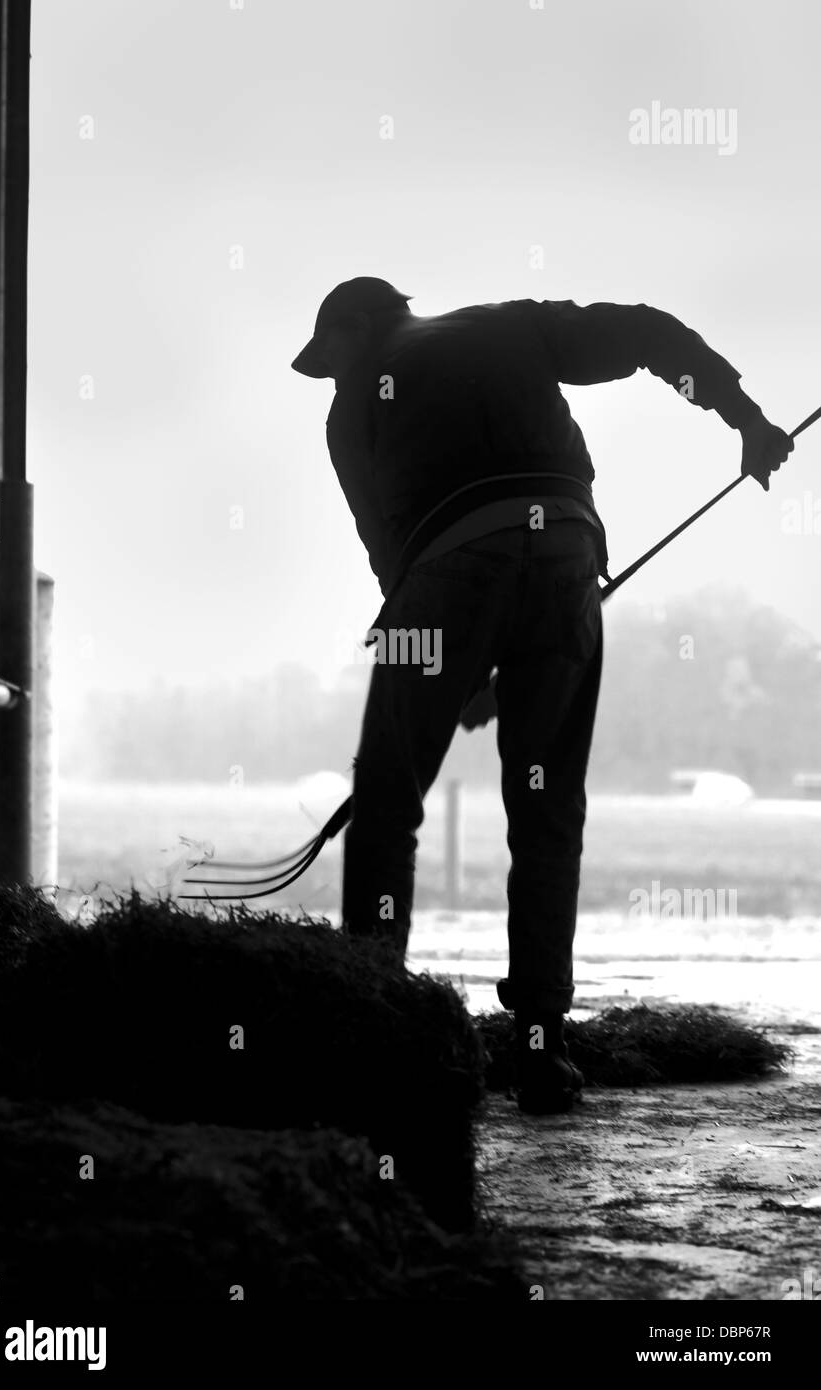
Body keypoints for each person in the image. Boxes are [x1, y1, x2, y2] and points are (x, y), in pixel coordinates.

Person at [291, 276, 793, 1114]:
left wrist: (456, 668)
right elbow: (645, 334)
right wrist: (745, 421)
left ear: (358, 326)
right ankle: (540, 1051)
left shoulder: (351, 414)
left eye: (327, 357)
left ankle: (372, 1024)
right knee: (548, 807)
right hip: (563, 555)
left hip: (448, 570)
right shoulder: (509, 326)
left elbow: (394, 559)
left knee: (386, 805)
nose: (328, 375)